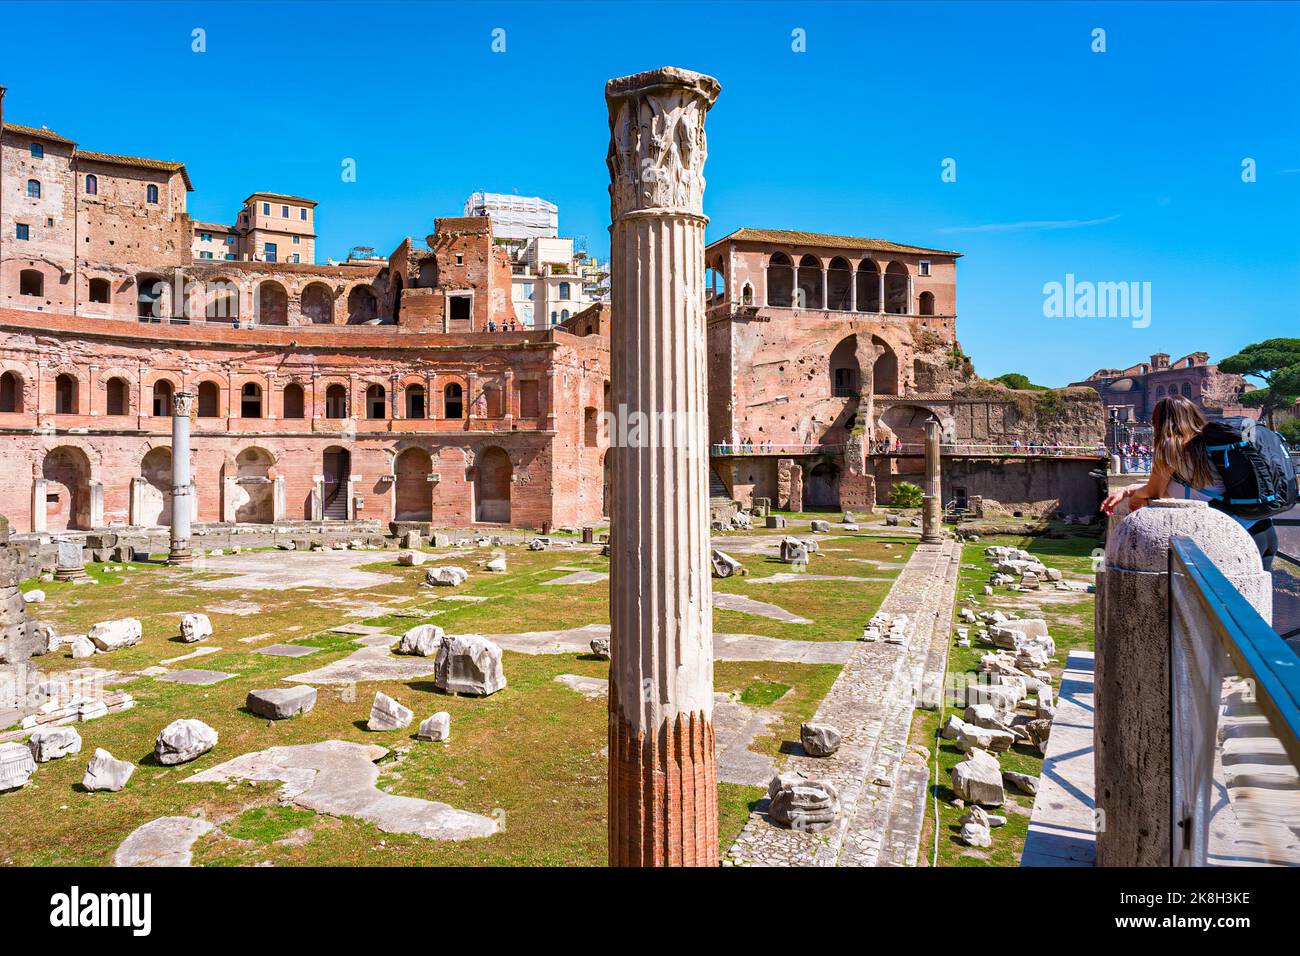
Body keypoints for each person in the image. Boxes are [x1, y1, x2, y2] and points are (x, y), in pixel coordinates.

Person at [1102, 395, 1278, 570]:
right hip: (1263, 528)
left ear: (1160, 422)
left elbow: (1154, 491)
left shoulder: (1172, 446)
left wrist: (1135, 498)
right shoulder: (1206, 443)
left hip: (1235, 537)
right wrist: (1127, 491)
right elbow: (1169, 487)